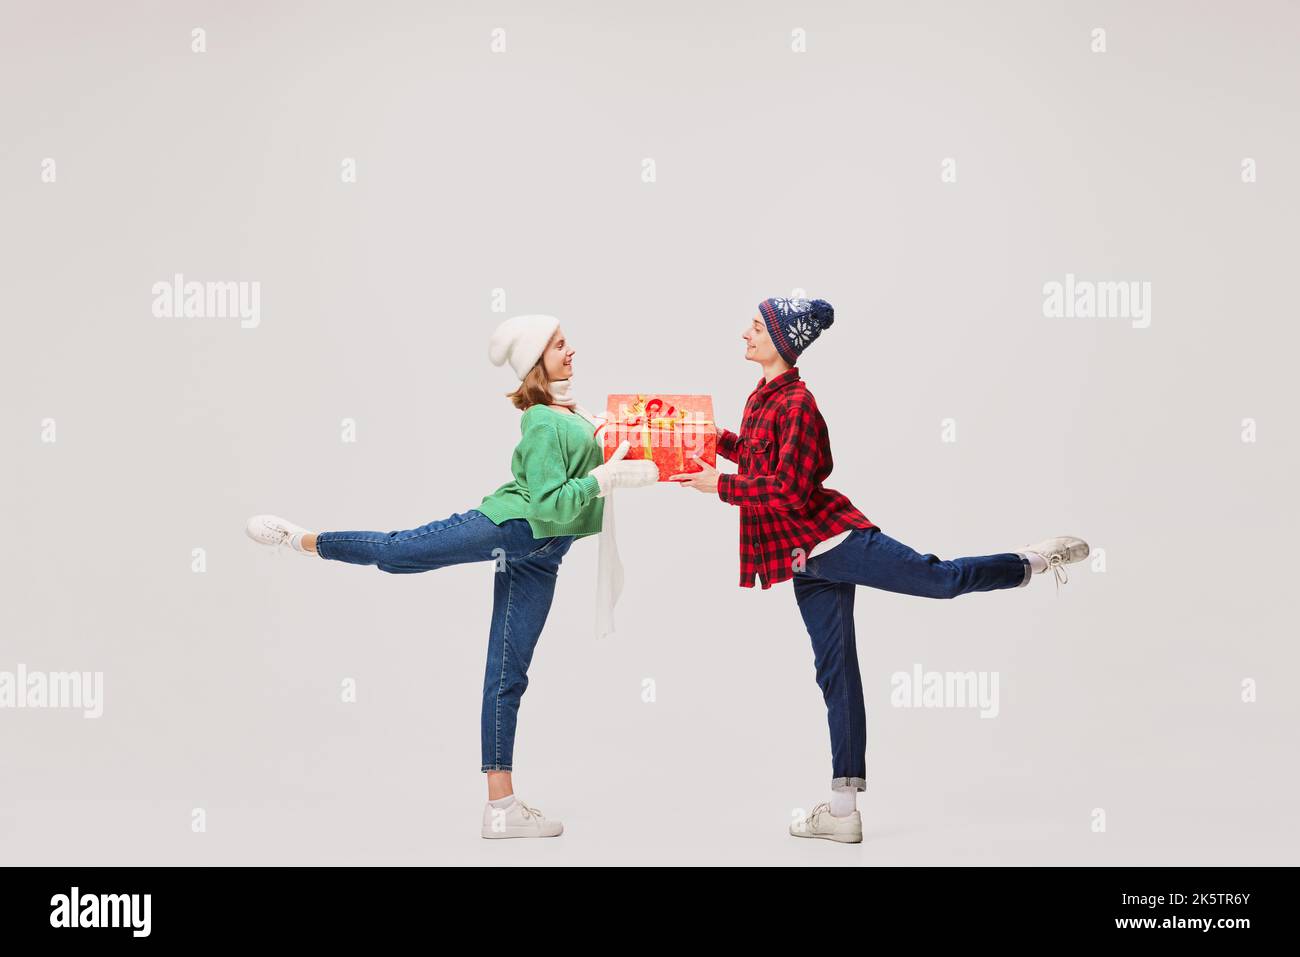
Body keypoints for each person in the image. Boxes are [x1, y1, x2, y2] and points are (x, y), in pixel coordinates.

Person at [670, 297, 1089, 844]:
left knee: (939, 579)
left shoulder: (798, 403)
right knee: (835, 671)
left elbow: (791, 491)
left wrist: (718, 486)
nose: (743, 334)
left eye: (754, 327)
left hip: (835, 540)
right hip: (804, 559)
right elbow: (758, 457)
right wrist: (711, 441)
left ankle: (1031, 561)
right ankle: (843, 811)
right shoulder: (763, 396)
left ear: (782, 340)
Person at [245, 314, 657, 839]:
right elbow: (553, 503)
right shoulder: (541, 420)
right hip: (512, 527)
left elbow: (579, 485)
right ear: (537, 361)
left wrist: (613, 448)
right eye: (559, 345)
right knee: (399, 551)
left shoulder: (567, 412)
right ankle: (304, 540)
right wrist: (603, 479)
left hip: (543, 554)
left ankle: (501, 808)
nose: (571, 350)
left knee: (507, 674)